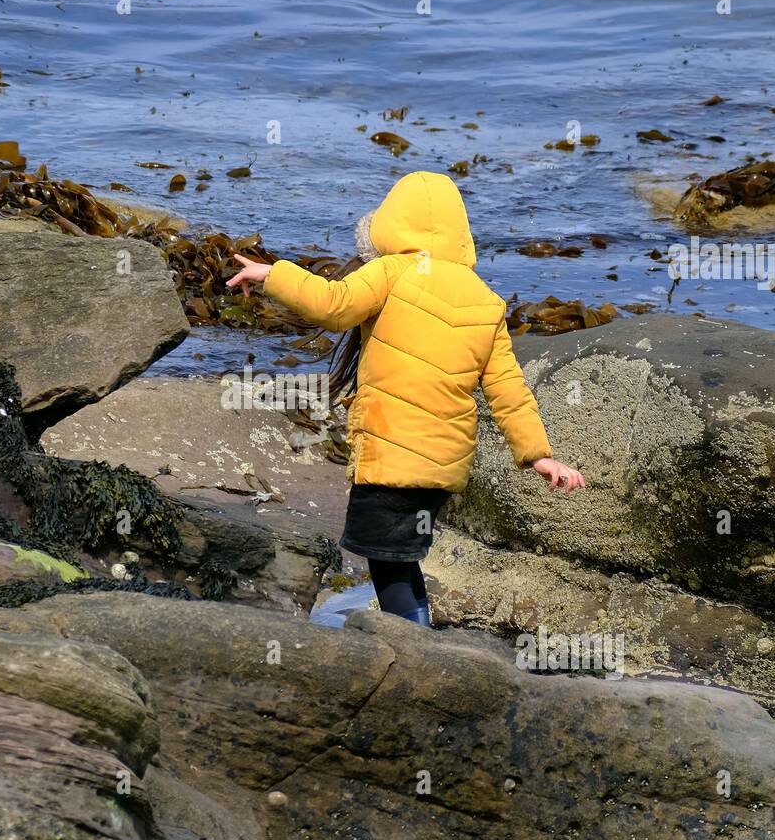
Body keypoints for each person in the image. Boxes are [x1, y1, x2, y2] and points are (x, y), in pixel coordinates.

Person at [226, 171, 584, 628]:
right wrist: (539, 456)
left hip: (393, 450)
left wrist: (273, 274)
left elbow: (334, 306)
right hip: (443, 463)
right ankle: (416, 633)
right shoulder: (485, 299)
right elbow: (508, 389)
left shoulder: (392, 271)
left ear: (392, 224)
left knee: (386, 558)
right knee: (399, 556)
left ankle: (414, 644)